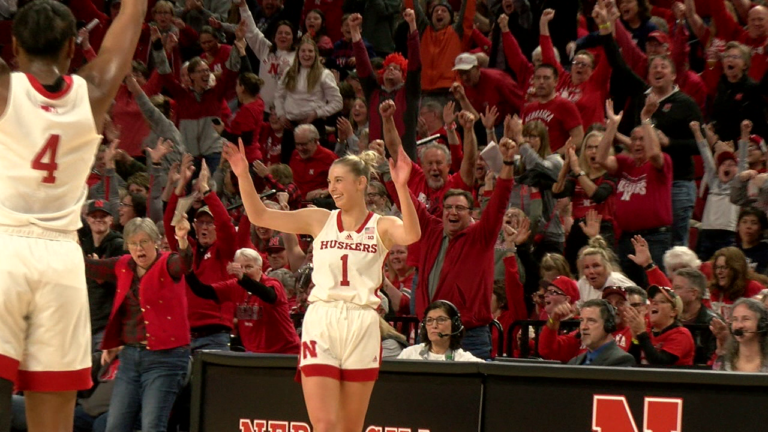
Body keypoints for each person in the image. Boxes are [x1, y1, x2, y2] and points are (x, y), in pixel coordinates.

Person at [222, 99, 421, 432]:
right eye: (329, 181)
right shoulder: (319, 219)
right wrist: (243, 175)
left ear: (360, 183)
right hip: (322, 319)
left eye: (339, 180)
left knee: (349, 428)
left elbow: (412, 234)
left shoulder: (381, 224)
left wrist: (401, 186)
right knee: (326, 426)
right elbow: (260, 215)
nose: (331, 187)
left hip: (361, 322)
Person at [0, 1, 146, 431]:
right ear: (71, 47)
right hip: (63, 262)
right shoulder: (95, 88)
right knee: (54, 419)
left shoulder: (6, 90)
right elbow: (132, 16)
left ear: (13, 45)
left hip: (5, 250)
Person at [85, 217, 192, 432]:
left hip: (166, 358)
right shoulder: (124, 265)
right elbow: (92, 267)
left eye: (144, 241)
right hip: (130, 357)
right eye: (133, 243)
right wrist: (66, 245)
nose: (138, 248)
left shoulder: (168, 263)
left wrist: (182, 240)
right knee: (114, 426)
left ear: (156, 241)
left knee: (152, 426)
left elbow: (184, 263)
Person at [597, 98, 672, 287]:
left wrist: (646, 118)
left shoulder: (662, 162)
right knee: (628, 291)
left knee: (655, 289)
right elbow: (600, 158)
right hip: (626, 238)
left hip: (654, 238)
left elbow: (654, 154)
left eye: (643, 139)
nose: (638, 143)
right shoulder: (625, 164)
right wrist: (612, 126)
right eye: (635, 139)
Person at [186, 248, 300, 354]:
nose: (244, 271)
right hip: (253, 354)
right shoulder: (235, 286)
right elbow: (203, 291)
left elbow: (268, 295)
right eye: (240, 268)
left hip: (285, 353)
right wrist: (188, 271)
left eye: (249, 267)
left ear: (260, 268)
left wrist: (242, 278)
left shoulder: (273, 284)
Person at [79, 200, 126, 352]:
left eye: (103, 216)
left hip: (107, 324)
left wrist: (101, 272)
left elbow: (126, 283)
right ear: (87, 219)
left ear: (111, 219)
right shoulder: (83, 246)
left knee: (102, 371)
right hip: (85, 323)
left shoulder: (119, 245)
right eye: (94, 216)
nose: (98, 219)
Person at [624, 285, 695, 366]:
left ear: (673, 312)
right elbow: (632, 365)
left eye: (662, 301)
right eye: (653, 300)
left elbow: (660, 366)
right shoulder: (647, 332)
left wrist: (641, 333)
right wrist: (635, 339)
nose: (654, 303)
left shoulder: (681, 334)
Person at [520, 64, 584, 153]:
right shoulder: (529, 108)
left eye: (546, 78)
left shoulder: (565, 105)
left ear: (556, 81)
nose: (541, 82)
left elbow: (578, 138)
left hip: (554, 163)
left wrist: (556, 155)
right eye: (538, 78)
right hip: (530, 161)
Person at [397, 301, 484, 362]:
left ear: (454, 325)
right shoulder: (409, 354)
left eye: (441, 319)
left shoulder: (464, 360)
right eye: (429, 320)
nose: (434, 325)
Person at [672, 267, 719, 365]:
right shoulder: (669, 319)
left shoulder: (712, 324)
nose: (672, 293)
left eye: (677, 288)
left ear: (693, 293)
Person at [568, 300, 635, 366]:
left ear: (608, 325)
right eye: (581, 320)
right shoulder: (573, 362)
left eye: (591, 321)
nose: (583, 327)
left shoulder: (621, 360)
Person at [709, 246, 766, 321]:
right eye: (717, 267)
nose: (719, 272)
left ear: (736, 269)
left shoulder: (753, 287)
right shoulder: (714, 290)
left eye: (724, 267)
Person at [711, 298, 768, 372]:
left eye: (746, 319)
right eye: (735, 319)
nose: (739, 326)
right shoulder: (723, 362)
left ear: (761, 324)